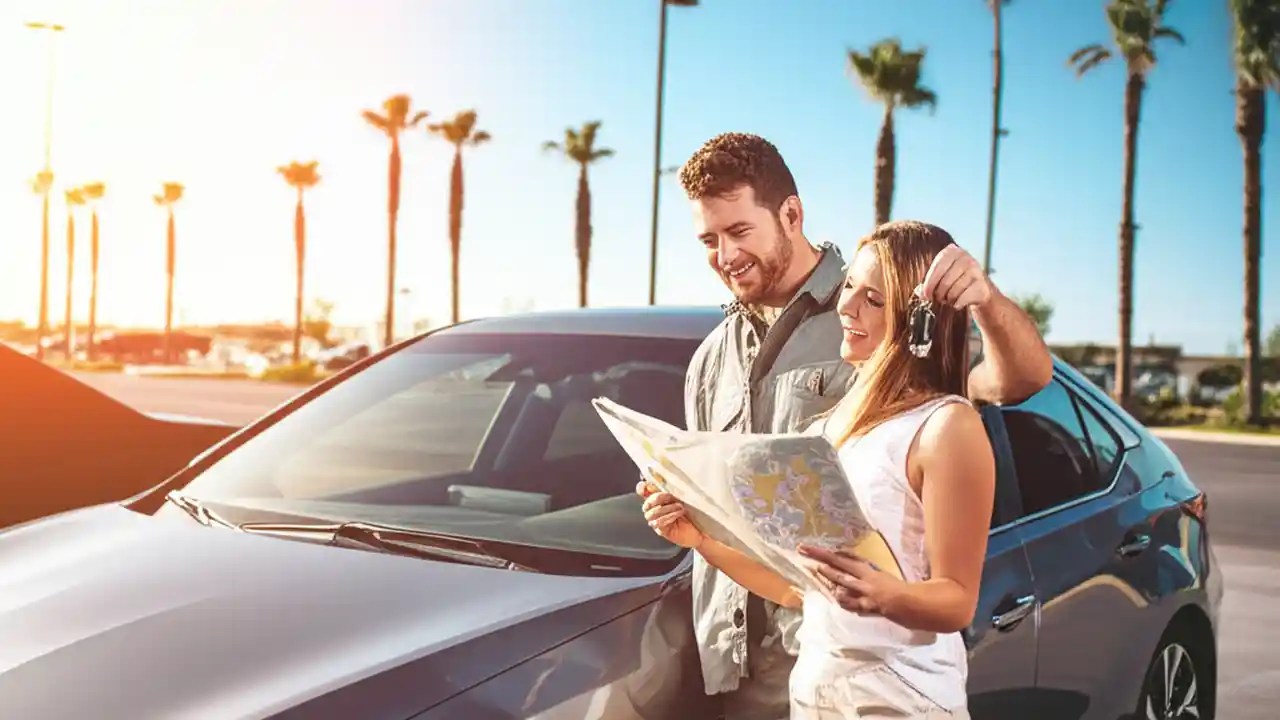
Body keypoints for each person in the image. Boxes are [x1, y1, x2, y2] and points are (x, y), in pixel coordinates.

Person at [664, 132, 1051, 720]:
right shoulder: (712, 361)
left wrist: (983, 299)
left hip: (885, 688)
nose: (724, 254)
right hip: (764, 667)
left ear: (791, 214)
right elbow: (796, 576)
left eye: (739, 231)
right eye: (709, 240)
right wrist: (694, 533)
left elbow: (1017, 378)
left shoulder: (934, 406)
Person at [644, 220, 995, 718]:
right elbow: (795, 588)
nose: (846, 307)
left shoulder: (946, 426)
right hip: (817, 695)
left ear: (919, 318)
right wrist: (698, 539)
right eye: (850, 285)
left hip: (900, 700)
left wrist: (885, 594)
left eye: (874, 299)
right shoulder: (832, 428)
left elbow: (957, 600)